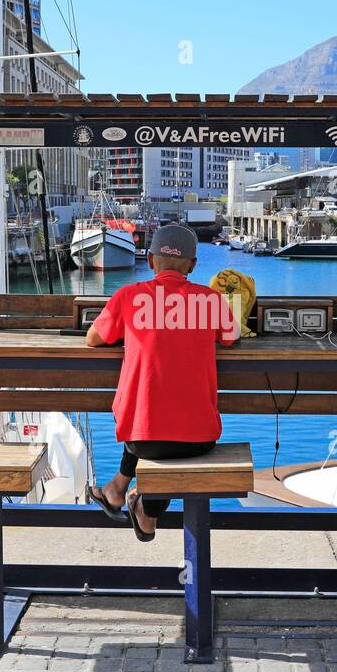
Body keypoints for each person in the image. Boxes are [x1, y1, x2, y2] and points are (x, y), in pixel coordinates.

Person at [86, 223, 239, 541]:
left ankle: (124, 495)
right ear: (193, 265)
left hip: (140, 441)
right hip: (200, 440)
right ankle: (136, 505)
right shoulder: (210, 300)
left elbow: (93, 339)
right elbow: (231, 337)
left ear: (151, 261)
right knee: (166, 426)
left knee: (151, 422)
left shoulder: (128, 296)